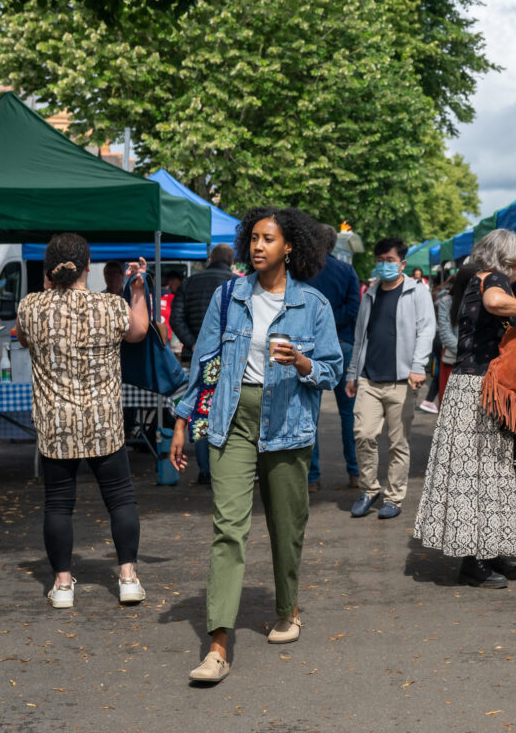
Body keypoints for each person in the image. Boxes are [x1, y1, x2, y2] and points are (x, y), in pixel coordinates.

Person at [169, 207, 342, 685]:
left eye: (269, 239)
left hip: (287, 422)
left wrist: (305, 363)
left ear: (290, 247)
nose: (258, 246)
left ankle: (288, 609)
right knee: (228, 529)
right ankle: (218, 646)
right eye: (254, 239)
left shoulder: (314, 305)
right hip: (232, 420)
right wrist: (184, 419)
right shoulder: (230, 295)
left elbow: (334, 370)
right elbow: (204, 358)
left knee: (287, 528)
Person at [413, 229, 516, 588]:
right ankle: (474, 562)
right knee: (481, 474)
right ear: (501, 260)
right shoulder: (492, 280)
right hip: (480, 390)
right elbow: (494, 302)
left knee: (491, 475)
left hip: (477, 388)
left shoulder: (477, 280)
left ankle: (491, 552)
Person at [16, 234, 151, 610]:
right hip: (103, 420)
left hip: (57, 422)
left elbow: (24, 340)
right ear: (87, 267)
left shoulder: (31, 306)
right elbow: (139, 331)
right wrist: (136, 291)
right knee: (120, 499)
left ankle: (62, 586)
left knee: (58, 504)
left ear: (49, 268)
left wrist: (46, 289)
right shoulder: (110, 305)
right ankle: (127, 578)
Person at [347, 237, 437, 520]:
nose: (384, 265)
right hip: (369, 379)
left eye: (389, 260)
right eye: (380, 260)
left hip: (402, 381)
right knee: (363, 435)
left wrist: (418, 365)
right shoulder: (370, 293)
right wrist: (352, 373)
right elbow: (360, 336)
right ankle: (369, 489)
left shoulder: (416, 292)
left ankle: (394, 498)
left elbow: (426, 330)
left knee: (398, 442)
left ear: (402, 263)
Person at [169, 244, 237, 484]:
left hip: (194, 357)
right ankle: (224, 467)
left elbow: (174, 318)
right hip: (228, 359)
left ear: (210, 259)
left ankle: (205, 470)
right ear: (231, 262)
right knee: (224, 410)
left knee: (200, 405)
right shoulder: (236, 285)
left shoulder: (190, 283)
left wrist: (193, 344)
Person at [304, 224, 362, 491]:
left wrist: (319, 327)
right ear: (334, 244)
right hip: (342, 344)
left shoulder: (304, 271)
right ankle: (354, 472)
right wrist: (333, 325)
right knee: (348, 414)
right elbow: (354, 308)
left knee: (310, 415)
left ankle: (312, 477)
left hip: (309, 348)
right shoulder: (347, 270)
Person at [433, 265, 476, 410]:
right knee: (450, 408)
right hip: (453, 361)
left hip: (476, 364)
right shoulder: (447, 301)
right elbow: (445, 334)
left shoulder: (482, 301)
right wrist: (467, 353)